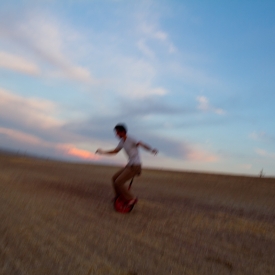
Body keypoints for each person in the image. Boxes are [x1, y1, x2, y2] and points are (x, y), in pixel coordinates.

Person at [96, 123, 158, 206]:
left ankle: (131, 198)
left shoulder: (131, 139)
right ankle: (119, 196)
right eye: (116, 132)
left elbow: (141, 144)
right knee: (114, 178)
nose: (116, 134)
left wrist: (151, 150)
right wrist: (103, 152)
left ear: (123, 132)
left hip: (135, 166)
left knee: (119, 182)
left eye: (117, 132)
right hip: (129, 165)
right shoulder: (122, 142)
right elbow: (115, 151)